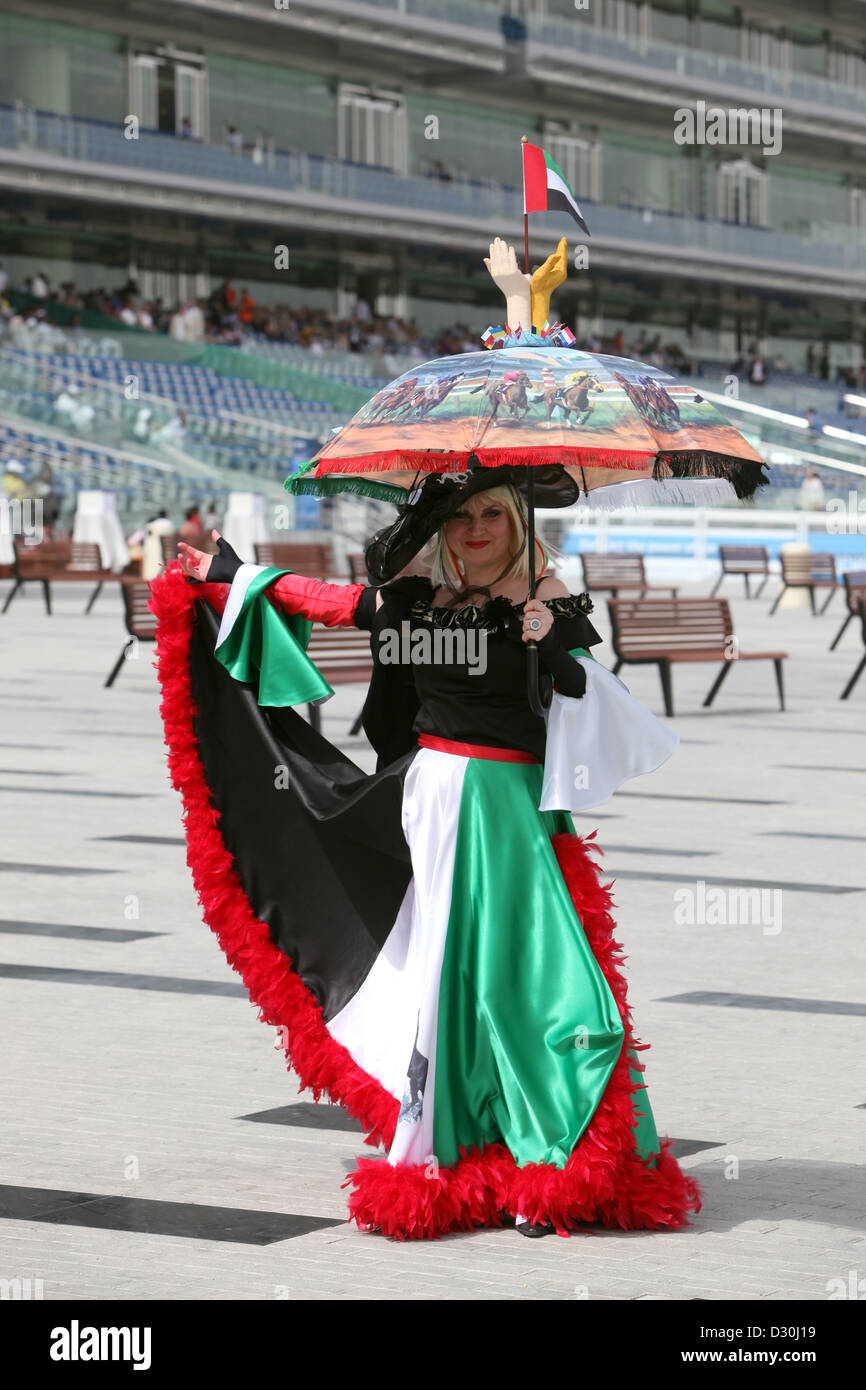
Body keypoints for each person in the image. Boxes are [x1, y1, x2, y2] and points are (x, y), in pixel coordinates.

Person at [153, 472, 701, 1240]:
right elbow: (333, 602)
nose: (477, 529)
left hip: (509, 809)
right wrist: (235, 579)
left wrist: (551, 639)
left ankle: (553, 1160)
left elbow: (585, 692)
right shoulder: (419, 604)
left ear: (517, 521)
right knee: (453, 976)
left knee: (545, 982)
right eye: (462, 517)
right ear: (443, 530)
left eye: (493, 515)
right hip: (435, 799)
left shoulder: (552, 601)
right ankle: (473, 1149)